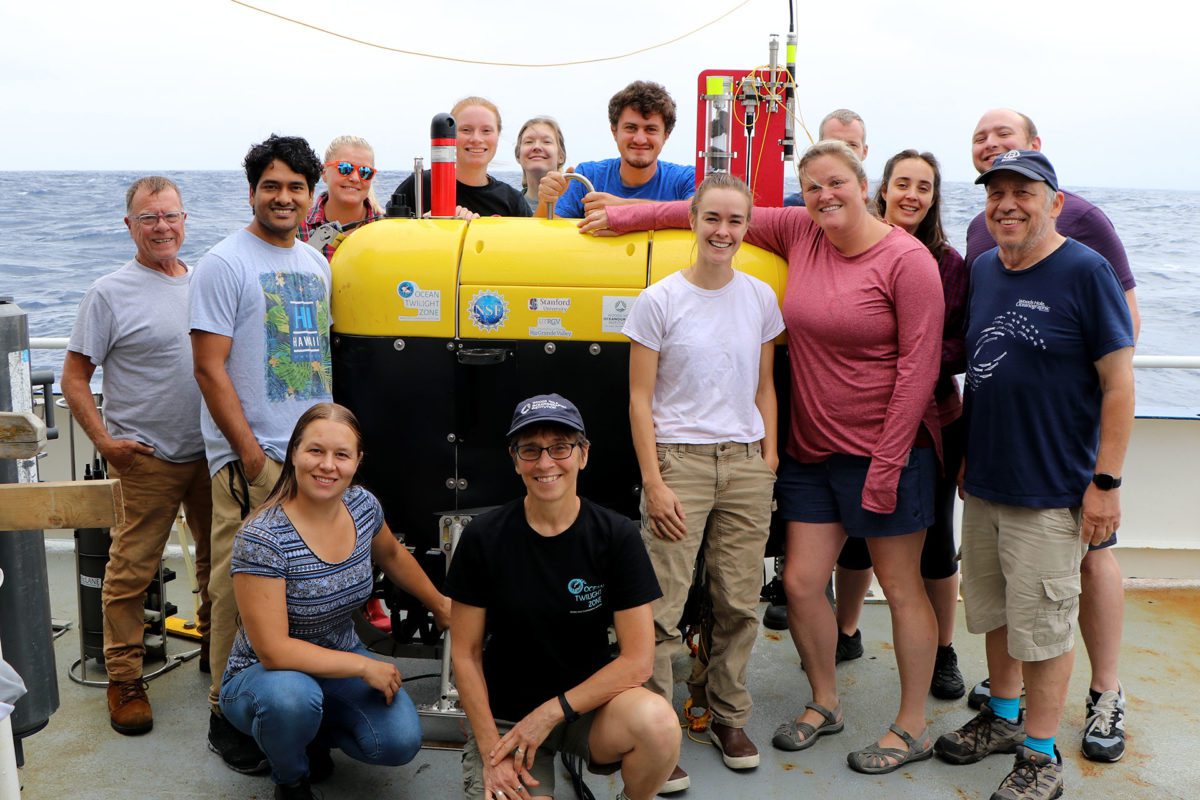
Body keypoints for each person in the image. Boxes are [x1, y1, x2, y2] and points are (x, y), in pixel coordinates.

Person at [595, 140, 945, 775]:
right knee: (800, 583)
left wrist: (887, 465)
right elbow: (696, 211)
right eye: (811, 186)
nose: (823, 195)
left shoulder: (907, 258)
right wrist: (622, 214)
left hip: (883, 453)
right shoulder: (800, 230)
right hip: (810, 451)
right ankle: (823, 702)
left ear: (864, 184)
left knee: (900, 587)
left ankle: (911, 723)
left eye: (836, 183)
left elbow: (920, 369)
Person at [934, 149, 1135, 800]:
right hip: (988, 480)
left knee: (1045, 628)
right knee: (996, 613)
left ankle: (1042, 756)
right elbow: (988, 371)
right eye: (996, 193)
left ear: (1054, 201)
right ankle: (1003, 717)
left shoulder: (1085, 271)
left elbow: (1118, 383)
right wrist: (967, 454)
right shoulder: (988, 268)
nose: (1007, 204)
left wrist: (1105, 483)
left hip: (1053, 487)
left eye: (1024, 191)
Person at [621, 173, 782, 792]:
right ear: (693, 221)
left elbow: (765, 385)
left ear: (746, 226)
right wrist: (654, 481)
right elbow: (639, 400)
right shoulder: (659, 300)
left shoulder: (759, 297)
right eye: (712, 219)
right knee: (661, 607)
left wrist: (768, 456)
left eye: (735, 221)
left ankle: (725, 715)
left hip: (744, 463)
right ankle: (658, 731)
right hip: (679, 461)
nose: (723, 232)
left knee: (739, 601)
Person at [445, 393, 680, 800]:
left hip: (587, 710)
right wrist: (489, 750)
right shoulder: (484, 537)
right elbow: (464, 654)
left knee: (658, 722)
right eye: (530, 450)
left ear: (583, 454)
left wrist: (551, 713)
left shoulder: (616, 535)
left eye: (560, 447)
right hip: (507, 717)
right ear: (515, 459)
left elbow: (637, 661)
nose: (546, 462)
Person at [220, 402, 451, 800]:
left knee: (399, 741)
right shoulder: (262, 538)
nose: (327, 465)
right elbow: (274, 652)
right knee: (292, 699)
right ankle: (290, 778)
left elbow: (392, 555)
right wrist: (363, 665)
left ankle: (307, 737)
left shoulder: (362, 506)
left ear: (357, 461)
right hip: (265, 676)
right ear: (293, 453)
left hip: (335, 661)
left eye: (341, 455)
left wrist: (441, 605)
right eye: (315, 451)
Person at [190, 134, 333, 773]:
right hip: (252, 461)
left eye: (295, 187)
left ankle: (292, 711)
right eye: (271, 185)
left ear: (311, 195)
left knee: (301, 591)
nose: (283, 197)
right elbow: (209, 367)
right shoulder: (224, 263)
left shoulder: (316, 263)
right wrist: (249, 457)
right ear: (252, 191)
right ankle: (227, 714)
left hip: (308, 458)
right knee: (234, 588)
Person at [61, 175, 213, 735]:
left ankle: (215, 652)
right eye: (148, 218)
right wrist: (104, 442)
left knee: (217, 563)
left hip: (210, 451)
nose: (161, 228)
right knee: (129, 572)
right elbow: (75, 376)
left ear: (185, 220)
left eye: (170, 216)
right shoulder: (108, 292)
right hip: (144, 457)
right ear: (130, 226)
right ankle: (124, 679)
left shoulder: (205, 282)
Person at [830, 150, 969, 700]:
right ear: (881, 188)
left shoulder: (947, 263)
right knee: (856, 534)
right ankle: (846, 630)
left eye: (924, 187)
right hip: (857, 421)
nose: (911, 195)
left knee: (936, 539)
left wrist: (903, 361)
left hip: (933, 422)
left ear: (934, 198)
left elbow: (961, 342)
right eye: (902, 183)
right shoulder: (851, 246)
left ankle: (942, 650)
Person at [536, 81, 695, 219]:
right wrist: (547, 201)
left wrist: (622, 208)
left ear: (666, 135)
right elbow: (542, 240)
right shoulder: (586, 176)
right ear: (614, 131)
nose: (640, 139)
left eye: (651, 129)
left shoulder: (686, 179)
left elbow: (700, 214)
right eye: (631, 128)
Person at [388, 97, 532, 219]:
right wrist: (426, 225)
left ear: (497, 136)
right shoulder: (418, 185)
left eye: (486, 131)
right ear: (451, 135)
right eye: (466, 130)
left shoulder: (513, 201)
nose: (476, 139)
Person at [299, 135, 385, 261]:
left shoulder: (387, 228)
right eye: (345, 168)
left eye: (365, 172)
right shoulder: (296, 227)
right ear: (324, 172)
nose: (355, 178)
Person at [782, 109, 869, 207]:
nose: (843, 153)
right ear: (820, 147)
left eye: (852, 145)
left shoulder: (876, 213)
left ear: (865, 152)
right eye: (834, 144)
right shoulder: (791, 209)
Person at [515, 117, 567, 212]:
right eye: (529, 142)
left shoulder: (578, 204)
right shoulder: (509, 205)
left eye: (547, 142)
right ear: (518, 155)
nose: (537, 147)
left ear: (561, 156)